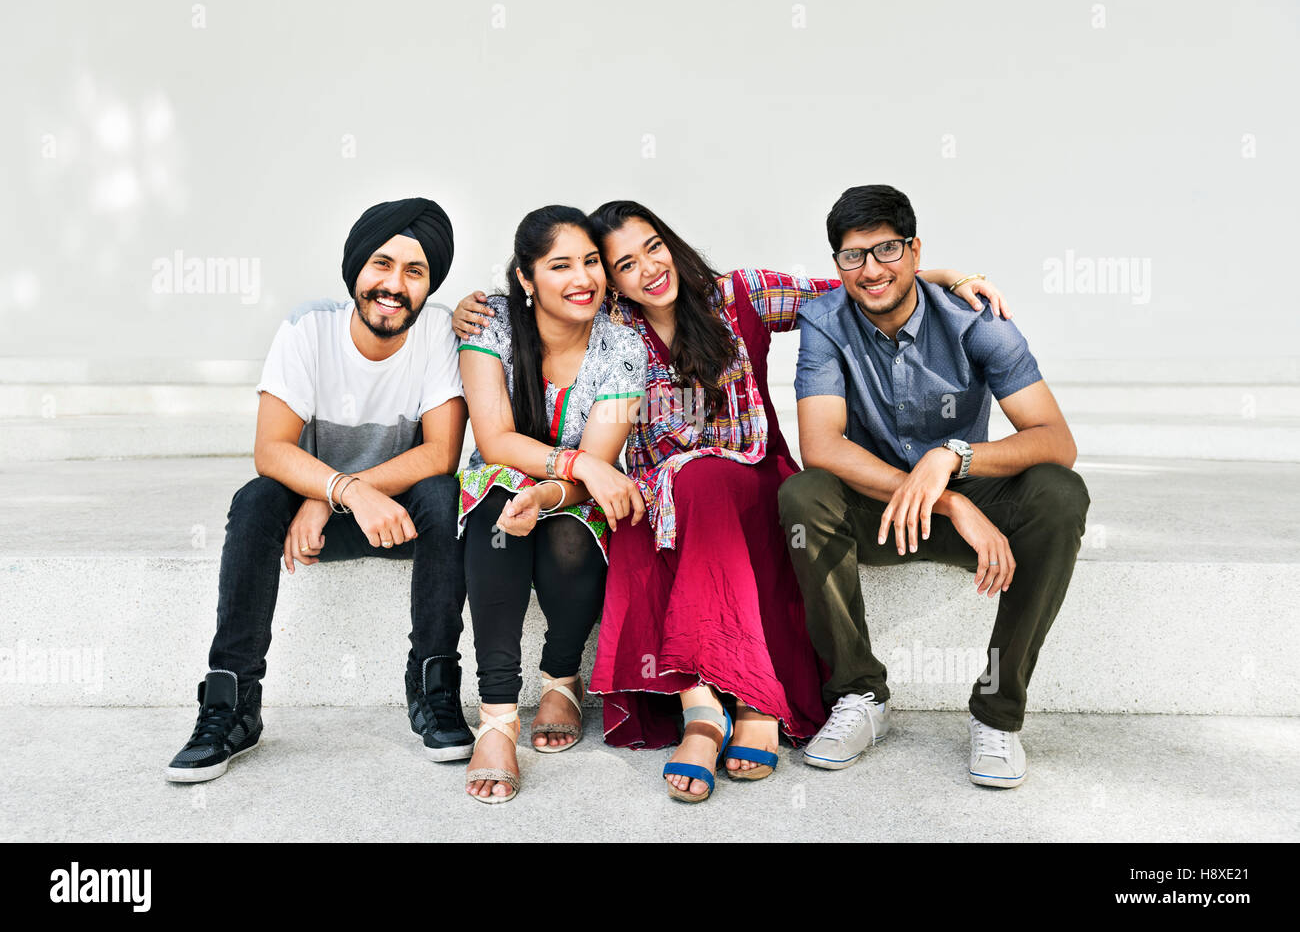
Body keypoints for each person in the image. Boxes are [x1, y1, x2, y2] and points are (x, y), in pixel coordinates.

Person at [454, 200, 1009, 802]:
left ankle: (754, 701)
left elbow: (852, 283)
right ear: (611, 280)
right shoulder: (610, 326)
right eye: (624, 264)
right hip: (662, 492)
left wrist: (950, 276)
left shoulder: (738, 294)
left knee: (702, 485)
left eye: (654, 248)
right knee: (643, 513)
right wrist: (467, 308)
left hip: (748, 478)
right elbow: (535, 308)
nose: (648, 270)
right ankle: (702, 709)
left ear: (671, 242)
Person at [778, 184, 1089, 788]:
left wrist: (953, 458)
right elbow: (821, 444)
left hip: (967, 502)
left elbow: (1057, 440)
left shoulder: (975, 319)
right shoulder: (824, 321)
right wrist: (941, 498)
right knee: (803, 494)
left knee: (1060, 493)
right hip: (879, 511)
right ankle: (859, 696)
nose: (871, 269)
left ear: (915, 250)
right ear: (837, 263)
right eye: (852, 255)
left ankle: (998, 715)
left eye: (886, 249)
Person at [166, 197, 473, 783]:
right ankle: (231, 704)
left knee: (443, 493)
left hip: (398, 519)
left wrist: (333, 492)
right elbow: (271, 451)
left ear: (430, 284)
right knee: (256, 499)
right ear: (355, 268)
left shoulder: (437, 332)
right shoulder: (309, 327)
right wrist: (342, 493)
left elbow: (440, 454)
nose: (394, 285)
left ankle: (433, 687)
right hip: (326, 520)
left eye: (415, 272)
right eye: (381, 264)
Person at [456, 205, 646, 804]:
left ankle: (563, 677)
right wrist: (570, 467)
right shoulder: (490, 324)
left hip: (572, 494)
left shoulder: (621, 347)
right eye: (559, 265)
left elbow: (597, 470)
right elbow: (495, 441)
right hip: (498, 480)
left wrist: (554, 487)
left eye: (591, 262)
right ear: (525, 277)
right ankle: (498, 718)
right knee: (497, 520)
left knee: (570, 537)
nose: (582, 278)